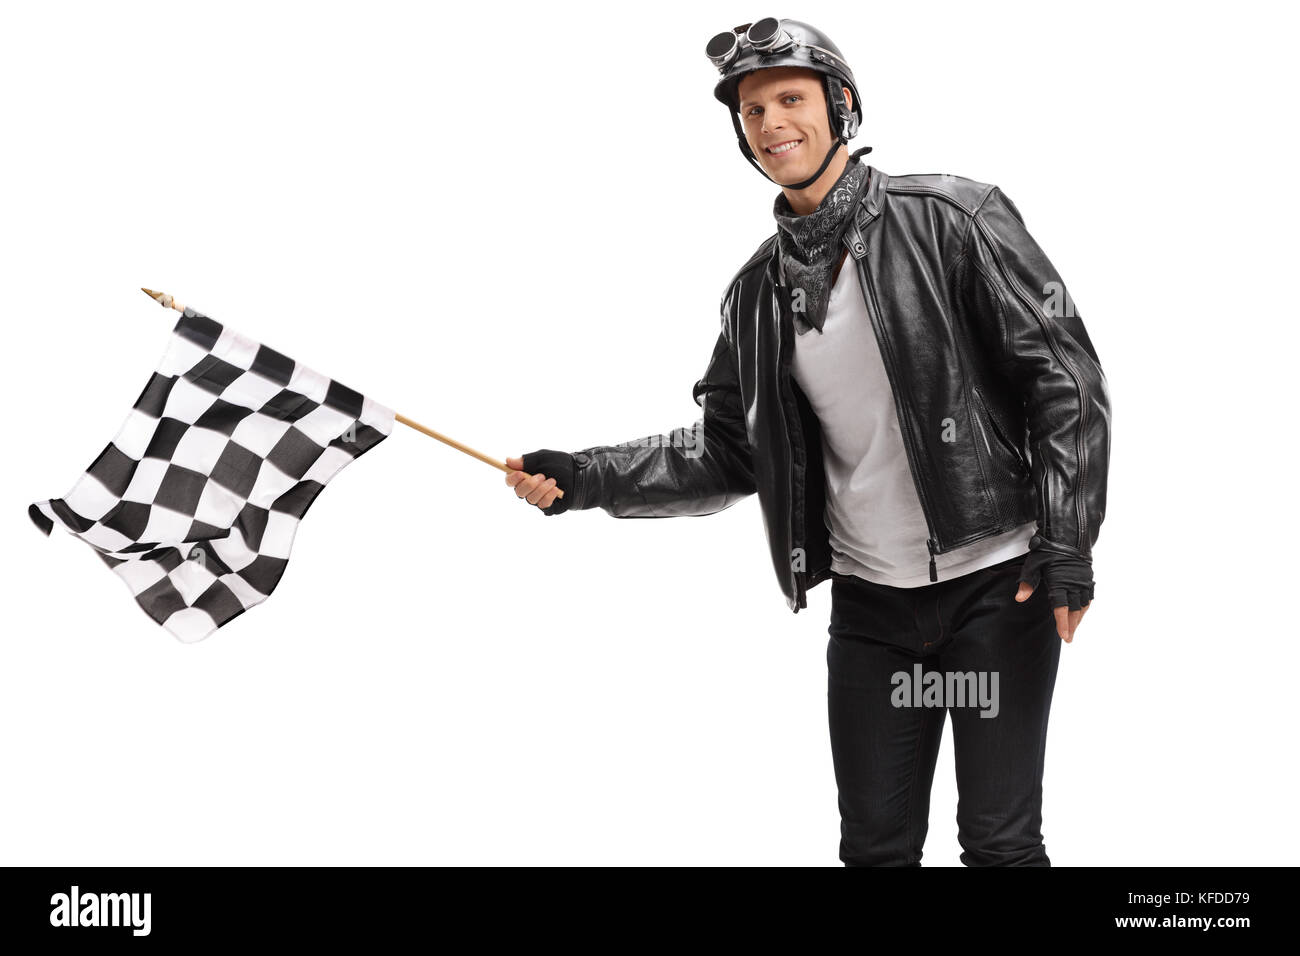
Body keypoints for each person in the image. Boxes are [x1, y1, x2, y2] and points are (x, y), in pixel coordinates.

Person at [505, 18, 1110, 866]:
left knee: (1000, 844)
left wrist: (1066, 543)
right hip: (873, 612)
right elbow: (728, 451)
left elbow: (1065, 380)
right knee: (874, 847)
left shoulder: (952, 216)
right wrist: (586, 476)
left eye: (790, 99)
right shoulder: (755, 294)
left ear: (842, 108)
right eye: (751, 111)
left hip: (996, 595)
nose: (770, 123)